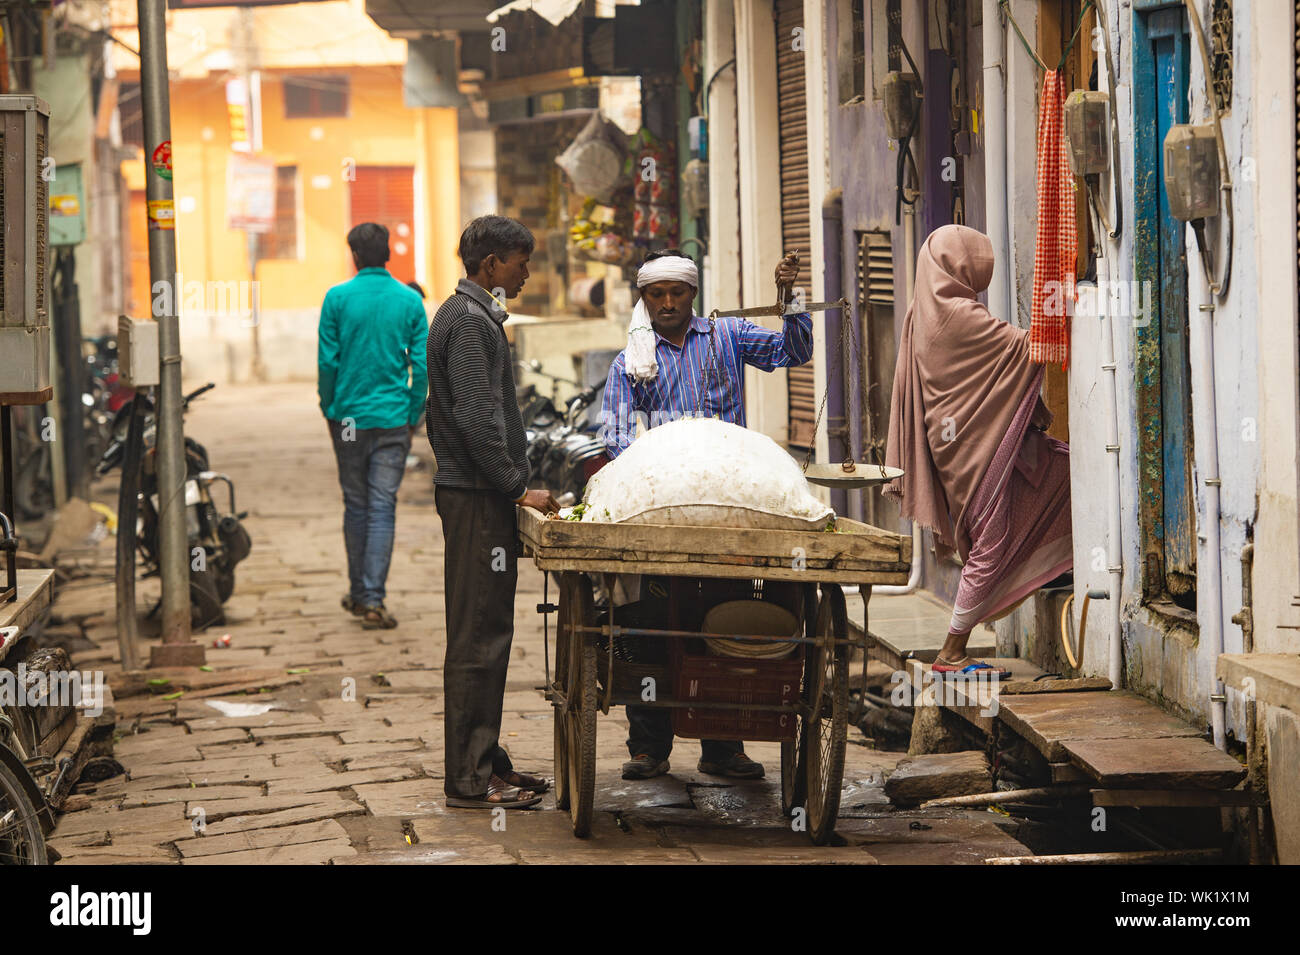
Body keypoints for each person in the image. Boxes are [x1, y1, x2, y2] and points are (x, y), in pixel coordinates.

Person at [599, 248, 812, 781]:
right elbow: (616, 436)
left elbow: (796, 349)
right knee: (653, 624)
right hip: (666, 506)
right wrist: (660, 469)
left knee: (724, 618)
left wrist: (791, 298)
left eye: (677, 292)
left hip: (729, 504)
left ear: (693, 294)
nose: (667, 303)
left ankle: (723, 747)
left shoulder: (728, 335)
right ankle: (649, 746)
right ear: (643, 298)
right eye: (656, 294)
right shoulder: (630, 360)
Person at [883, 224, 1073, 679]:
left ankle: (1058, 570)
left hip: (955, 447)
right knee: (991, 543)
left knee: (1062, 472)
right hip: (974, 451)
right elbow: (1026, 349)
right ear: (960, 267)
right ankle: (951, 652)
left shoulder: (923, 311)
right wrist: (1065, 312)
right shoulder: (958, 315)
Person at [425, 215, 559, 810]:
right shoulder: (470, 322)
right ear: (489, 267)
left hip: (479, 495)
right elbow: (478, 420)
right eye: (518, 262)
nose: (526, 272)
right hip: (477, 498)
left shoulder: (471, 316)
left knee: (487, 633)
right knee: (479, 636)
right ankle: (471, 777)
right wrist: (515, 487)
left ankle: (487, 759)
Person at [318, 222, 428, 631]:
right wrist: (412, 411)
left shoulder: (337, 298)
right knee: (382, 505)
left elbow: (328, 362)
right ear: (387, 255)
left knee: (356, 503)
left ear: (355, 256)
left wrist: (329, 405)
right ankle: (372, 599)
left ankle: (359, 591)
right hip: (392, 417)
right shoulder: (409, 301)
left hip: (347, 418)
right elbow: (422, 364)